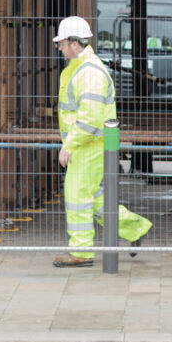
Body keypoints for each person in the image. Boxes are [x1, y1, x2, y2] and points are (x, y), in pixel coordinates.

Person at [52, 15, 152, 267]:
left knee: (77, 195)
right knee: (94, 197)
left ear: (75, 43)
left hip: (90, 145)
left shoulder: (89, 72)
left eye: (62, 43)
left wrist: (70, 145)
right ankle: (134, 228)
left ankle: (81, 252)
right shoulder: (80, 68)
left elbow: (90, 115)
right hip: (91, 144)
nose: (60, 48)